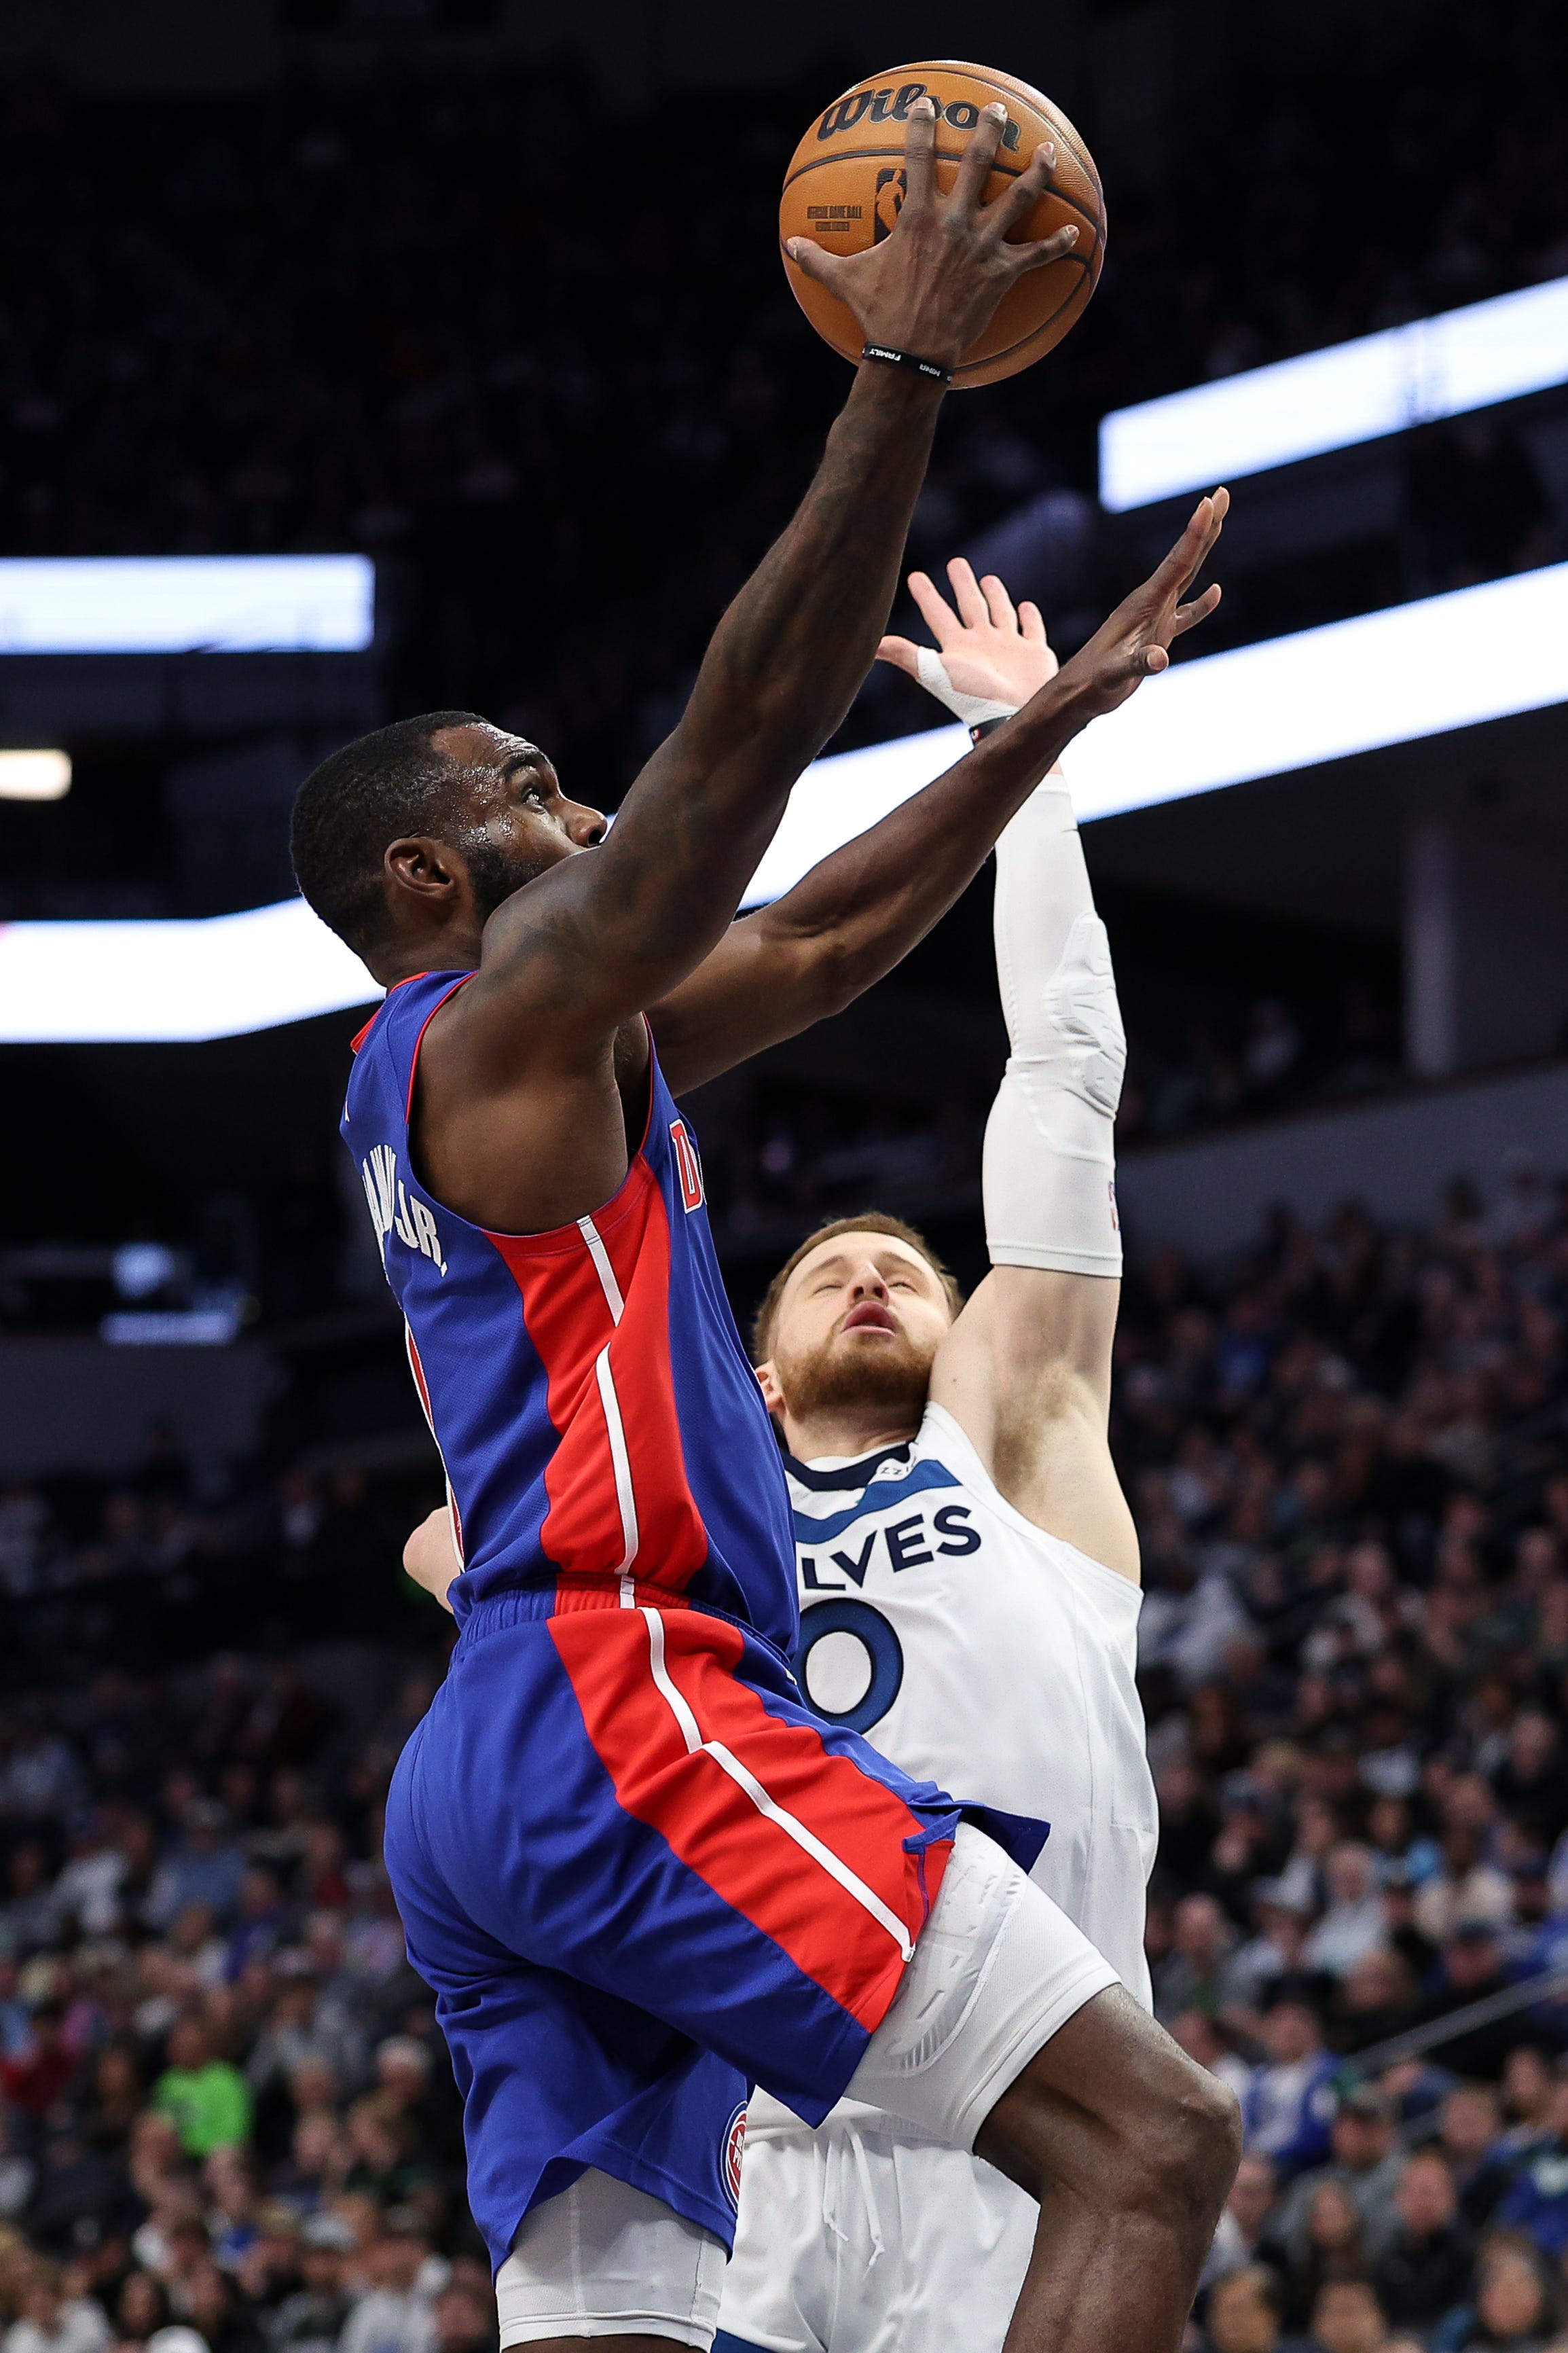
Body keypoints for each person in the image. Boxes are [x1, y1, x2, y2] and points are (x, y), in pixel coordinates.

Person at [295, 95, 1237, 2353]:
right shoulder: (498, 1021)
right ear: (426, 878)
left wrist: (1032, 741)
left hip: (501, 1761)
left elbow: (811, 939)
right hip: (626, 1702)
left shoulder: (540, 1061)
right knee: (1153, 2144)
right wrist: (898, 375)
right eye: (529, 794)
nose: (579, 815)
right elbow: (736, 748)